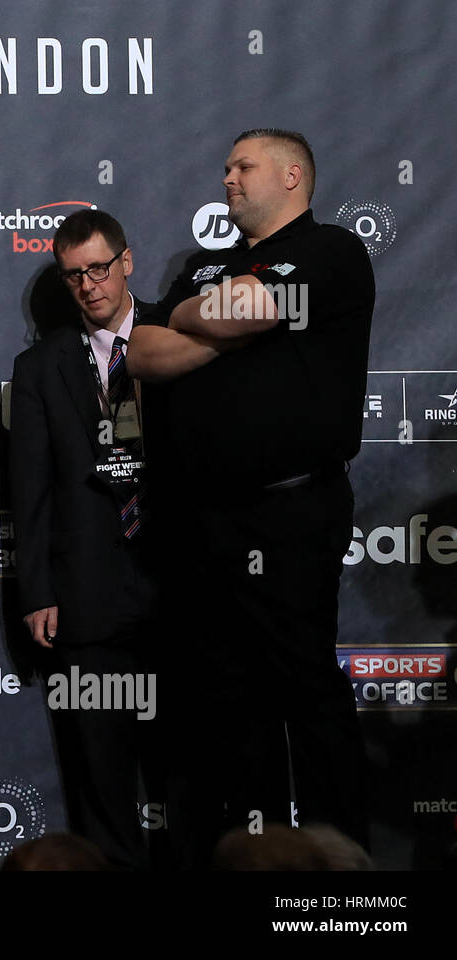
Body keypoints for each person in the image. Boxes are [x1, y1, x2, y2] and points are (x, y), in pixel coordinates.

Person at [129, 128, 374, 867]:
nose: (227, 178)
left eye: (243, 166)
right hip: (202, 520)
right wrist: (222, 320)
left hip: (290, 511)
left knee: (304, 687)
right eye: (225, 168)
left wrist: (208, 320)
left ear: (293, 174)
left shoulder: (332, 251)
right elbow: (141, 351)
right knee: (232, 701)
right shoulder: (206, 263)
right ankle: (256, 861)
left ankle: (341, 867)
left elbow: (236, 315)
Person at [8, 209, 161, 869]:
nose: (89, 285)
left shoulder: (179, 334)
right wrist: (38, 589)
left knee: (189, 773)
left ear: (126, 261)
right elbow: (29, 489)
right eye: (74, 276)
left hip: (179, 588)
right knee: (100, 778)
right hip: (86, 594)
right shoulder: (39, 367)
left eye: (99, 268)